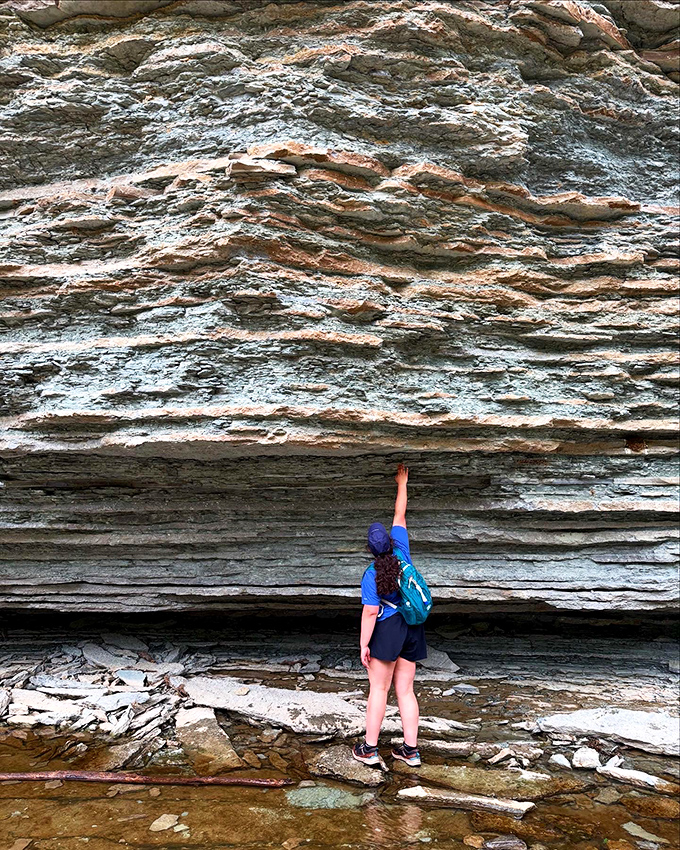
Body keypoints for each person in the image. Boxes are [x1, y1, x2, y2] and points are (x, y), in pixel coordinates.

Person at [352, 462, 427, 768]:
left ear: (369, 549)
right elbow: (400, 514)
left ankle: (369, 749)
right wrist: (402, 483)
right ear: (390, 542)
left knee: (379, 690)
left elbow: (370, 613)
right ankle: (410, 750)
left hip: (388, 630)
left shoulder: (371, 575)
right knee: (406, 690)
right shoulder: (402, 551)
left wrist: (363, 645)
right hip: (412, 625)